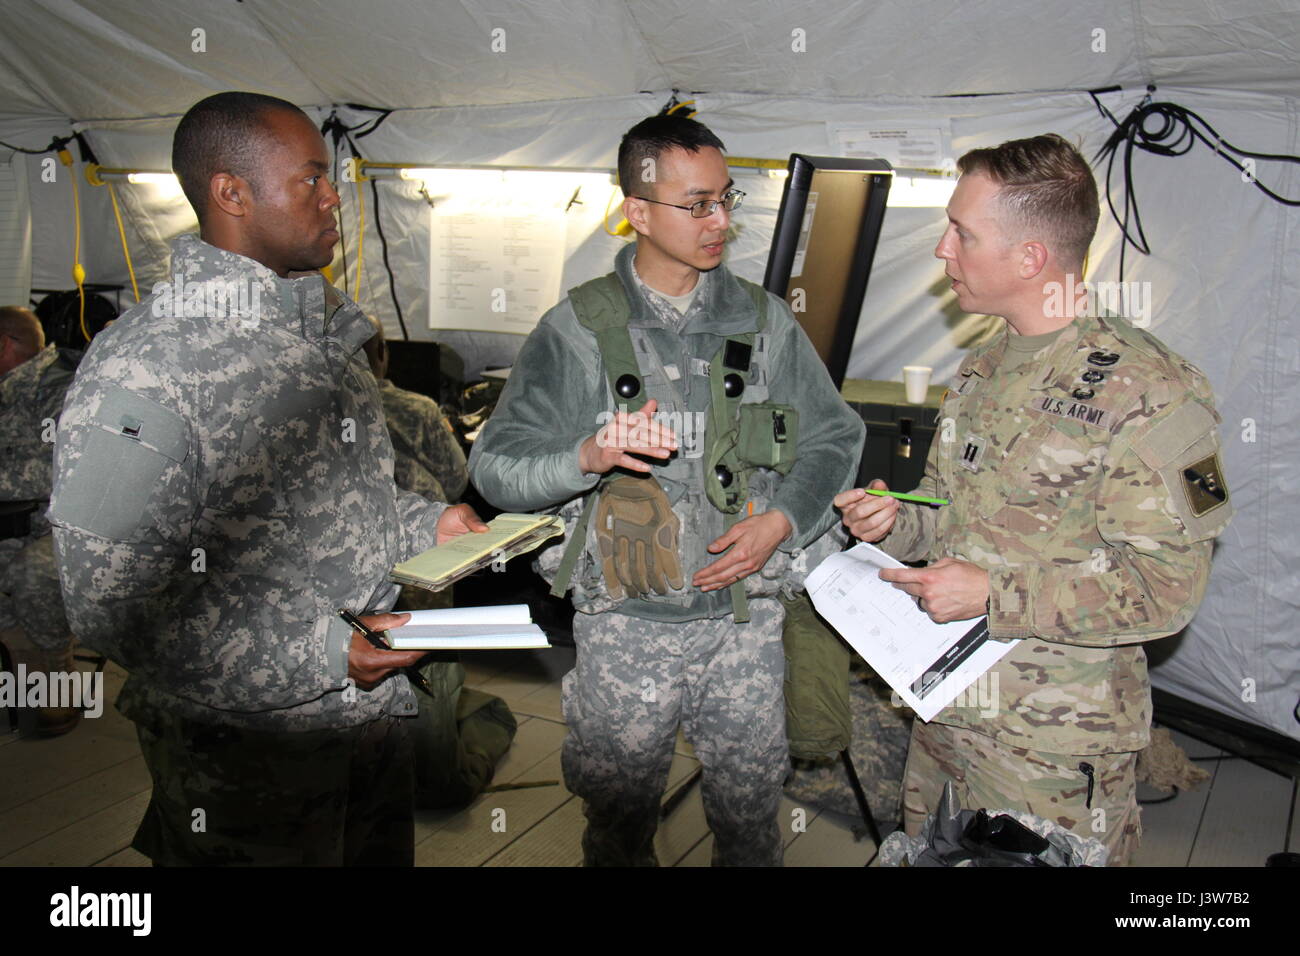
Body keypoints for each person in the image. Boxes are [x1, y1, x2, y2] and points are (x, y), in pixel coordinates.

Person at [49, 91, 486, 866]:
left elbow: (336, 506)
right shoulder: (146, 364)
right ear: (231, 193)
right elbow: (110, 605)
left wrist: (427, 525)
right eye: (311, 181)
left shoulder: (321, 338)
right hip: (247, 759)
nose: (332, 202)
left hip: (368, 729)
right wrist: (320, 654)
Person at [469, 113, 864, 866]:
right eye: (697, 205)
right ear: (638, 213)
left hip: (743, 624)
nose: (720, 221)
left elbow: (834, 436)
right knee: (618, 827)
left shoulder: (764, 320)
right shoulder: (577, 330)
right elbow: (497, 467)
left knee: (750, 824)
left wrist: (782, 521)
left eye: (726, 199)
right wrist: (587, 454)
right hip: (626, 630)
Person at [835, 133, 1233, 865]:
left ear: (1029, 258)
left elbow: (1168, 591)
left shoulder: (1152, 391)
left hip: (1050, 754)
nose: (941, 251)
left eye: (962, 232)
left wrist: (994, 593)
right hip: (944, 720)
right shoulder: (983, 367)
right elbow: (952, 516)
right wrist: (896, 523)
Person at [0, 306, 82, 736]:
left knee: (32, 573)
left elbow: (62, 467)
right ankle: (17, 668)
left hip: (66, 525)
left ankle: (58, 676)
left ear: (5, 344)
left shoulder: (62, 385)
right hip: (12, 521)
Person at [362, 317, 469, 505]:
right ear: (381, 352)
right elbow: (456, 482)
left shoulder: (316, 412)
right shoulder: (420, 409)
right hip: (425, 525)